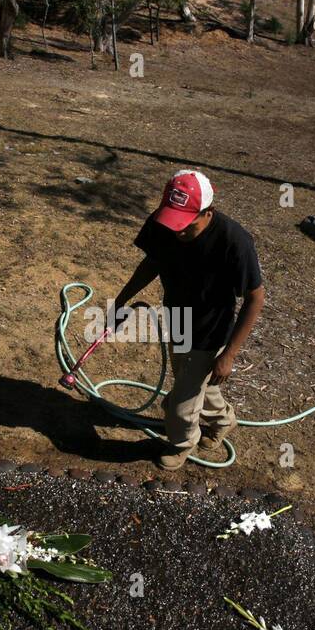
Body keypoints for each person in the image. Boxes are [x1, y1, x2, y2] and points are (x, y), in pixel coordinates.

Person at [113, 170, 265, 470]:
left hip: (211, 329)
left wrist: (230, 354)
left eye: (186, 225)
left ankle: (182, 443)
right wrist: (121, 301)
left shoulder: (234, 241)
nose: (177, 231)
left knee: (180, 403)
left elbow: (255, 298)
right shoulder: (163, 224)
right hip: (177, 317)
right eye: (172, 223)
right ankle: (223, 421)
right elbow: (151, 262)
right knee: (193, 382)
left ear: (208, 213)